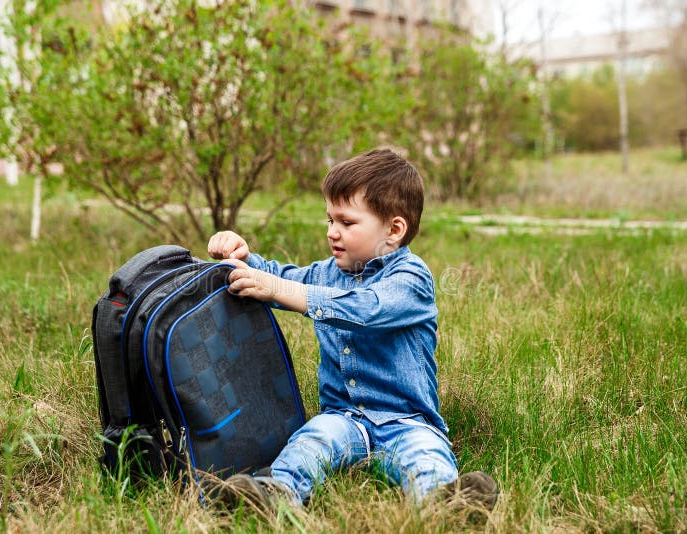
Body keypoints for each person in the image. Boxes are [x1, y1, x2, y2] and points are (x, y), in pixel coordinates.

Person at [207, 148, 497, 513]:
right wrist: (247, 260)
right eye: (329, 220)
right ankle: (272, 494)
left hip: (406, 421)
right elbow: (282, 278)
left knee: (425, 457)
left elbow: (364, 309)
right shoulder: (329, 272)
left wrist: (279, 289)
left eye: (346, 222)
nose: (332, 233)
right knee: (311, 443)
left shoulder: (411, 279)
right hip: (342, 418)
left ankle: (446, 503)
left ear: (394, 230)